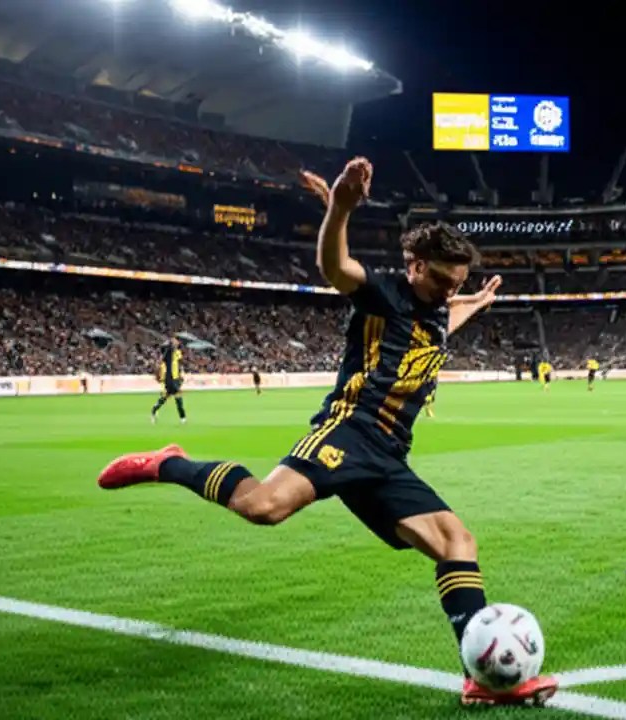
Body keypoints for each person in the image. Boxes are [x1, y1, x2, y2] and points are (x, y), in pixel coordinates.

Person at [96, 159, 556, 707]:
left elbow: (442, 322)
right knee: (264, 507)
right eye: (441, 280)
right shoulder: (384, 294)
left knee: (457, 543)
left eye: (456, 284)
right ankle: (167, 463)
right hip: (348, 430)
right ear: (414, 266)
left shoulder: (436, 309)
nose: (447, 291)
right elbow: (335, 266)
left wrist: (473, 302)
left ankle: (478, 680)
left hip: (388, 456)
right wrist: (339, 207)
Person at [150, 336, 187, 424]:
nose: (176, 343)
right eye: (174, 342)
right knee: (176, 397)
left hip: (175, 379)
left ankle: (154, 410)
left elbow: (180, 363)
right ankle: (183, 418)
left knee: (167, 398)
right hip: (169, 380)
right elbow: (160, 364)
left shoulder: (177, 353)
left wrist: (180, 374)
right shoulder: (167, 355)